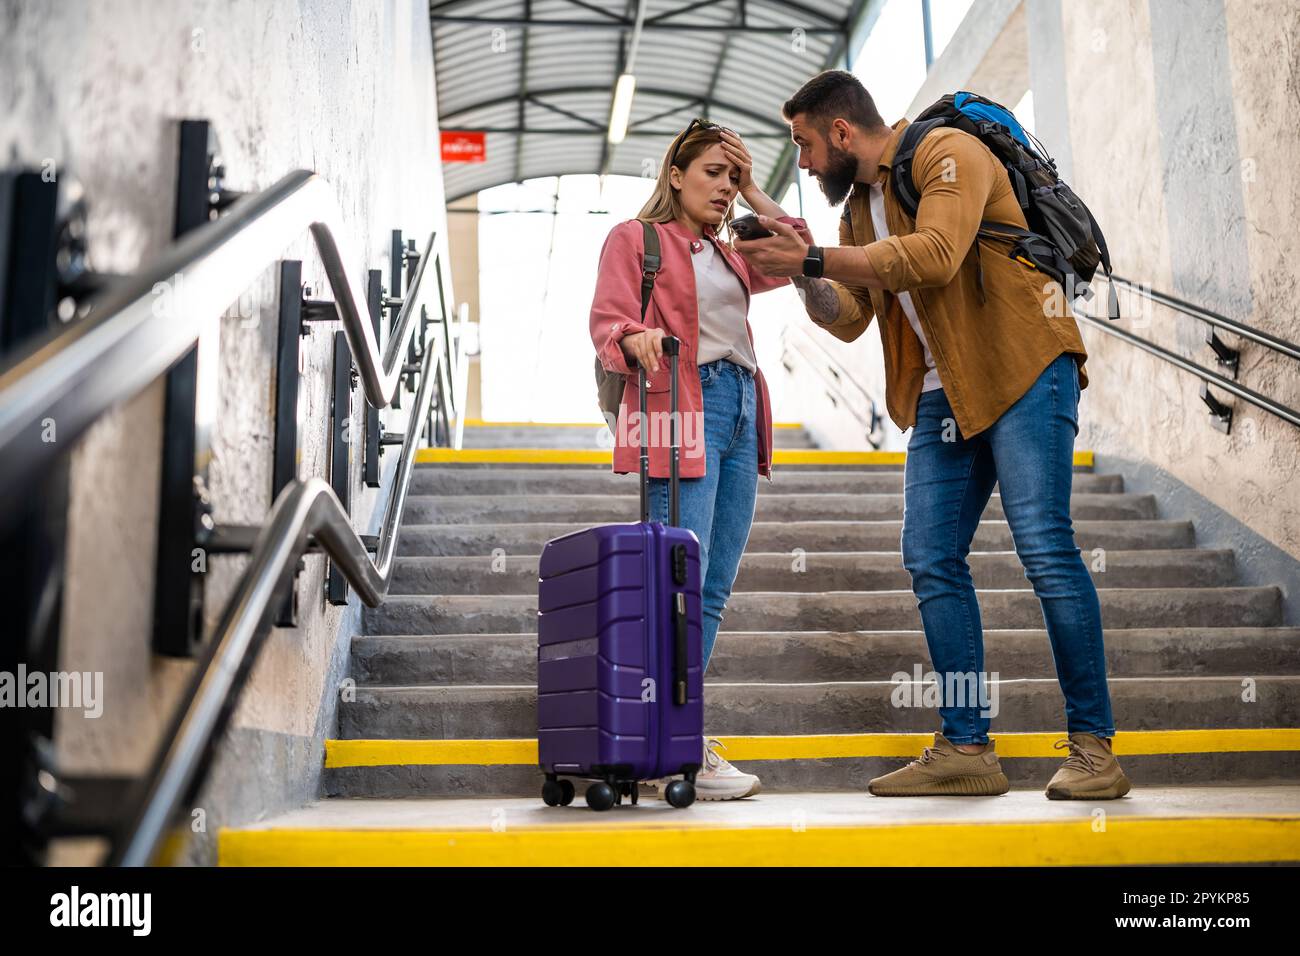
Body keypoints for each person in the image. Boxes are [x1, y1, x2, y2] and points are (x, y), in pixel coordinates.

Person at [736, 70, 1131, 801]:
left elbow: (935, 255)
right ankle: (967, 746)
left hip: (1023, 366)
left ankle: (1094, 749)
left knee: (1044, 545)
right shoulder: (859, 208)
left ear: (842, 132)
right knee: (929, 555)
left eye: (806, 145)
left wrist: (811, 256)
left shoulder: (945, 151)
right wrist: (797, 265)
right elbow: (852, 313)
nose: (805, 162)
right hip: (942, 390)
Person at [588, 118, 809, 800]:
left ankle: (674, 733)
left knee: (711, 587)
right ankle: (665, 740)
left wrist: (758, 193)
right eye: (713, 173)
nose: (725, 188)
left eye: (733, 177)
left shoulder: (734, 248)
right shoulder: (637, 238)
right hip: (682, 403)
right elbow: (607, 322)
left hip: (742, 409)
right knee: (675, 580)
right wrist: (637, 337)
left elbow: (800, 250)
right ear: (674, 176)